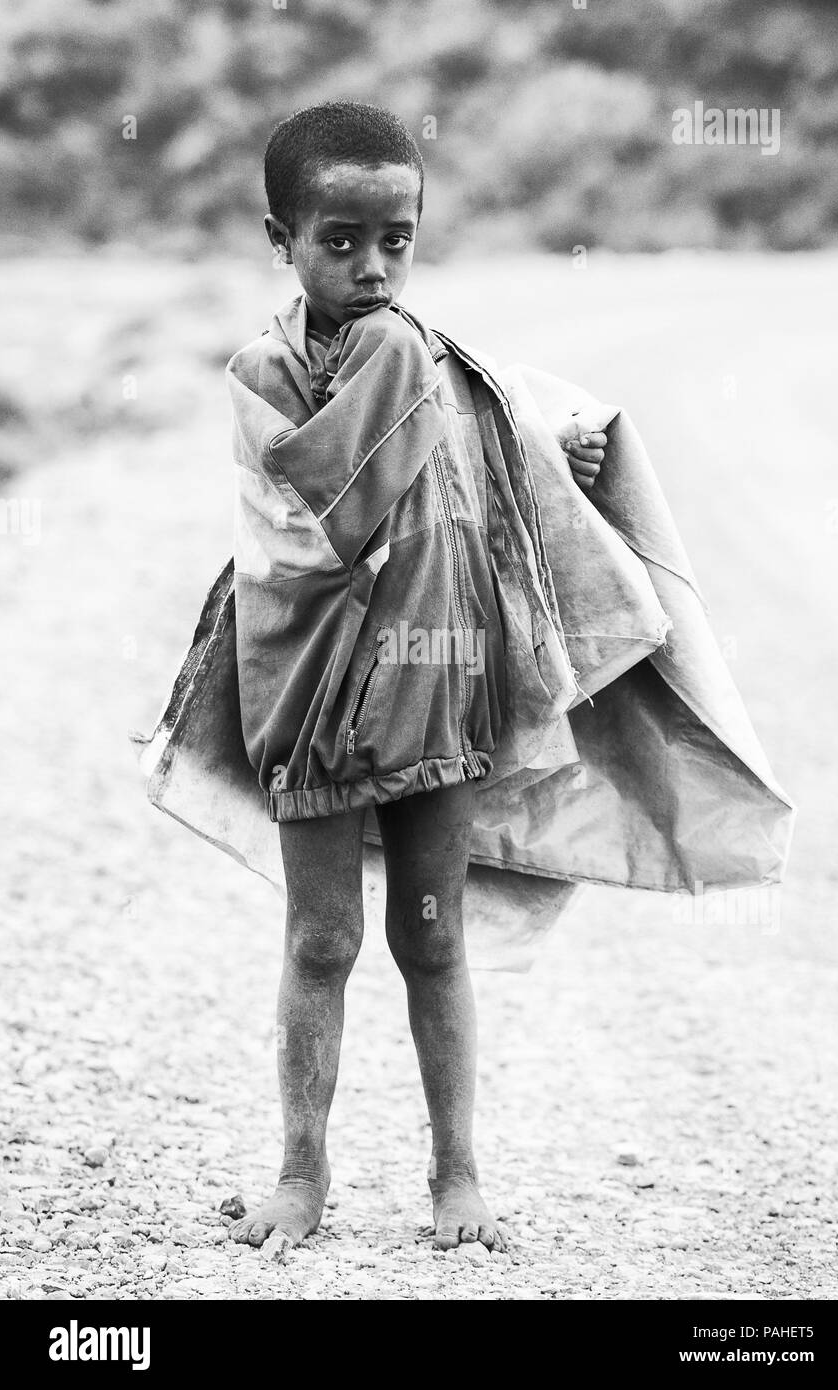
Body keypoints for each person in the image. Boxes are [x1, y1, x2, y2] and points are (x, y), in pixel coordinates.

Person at [224, 100, 606, 1254]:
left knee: (432, 937)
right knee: (319, 941)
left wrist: (551, 442)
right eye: (339, 240)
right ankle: (301, 1176)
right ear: (280, 239)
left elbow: (494, 429)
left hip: (439, 688)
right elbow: (310, 524)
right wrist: (408, 368)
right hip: (311, 699)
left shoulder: (430, 357)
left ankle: (457, 1173)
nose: (373, 267)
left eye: (397, 239)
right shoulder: (266, 374)